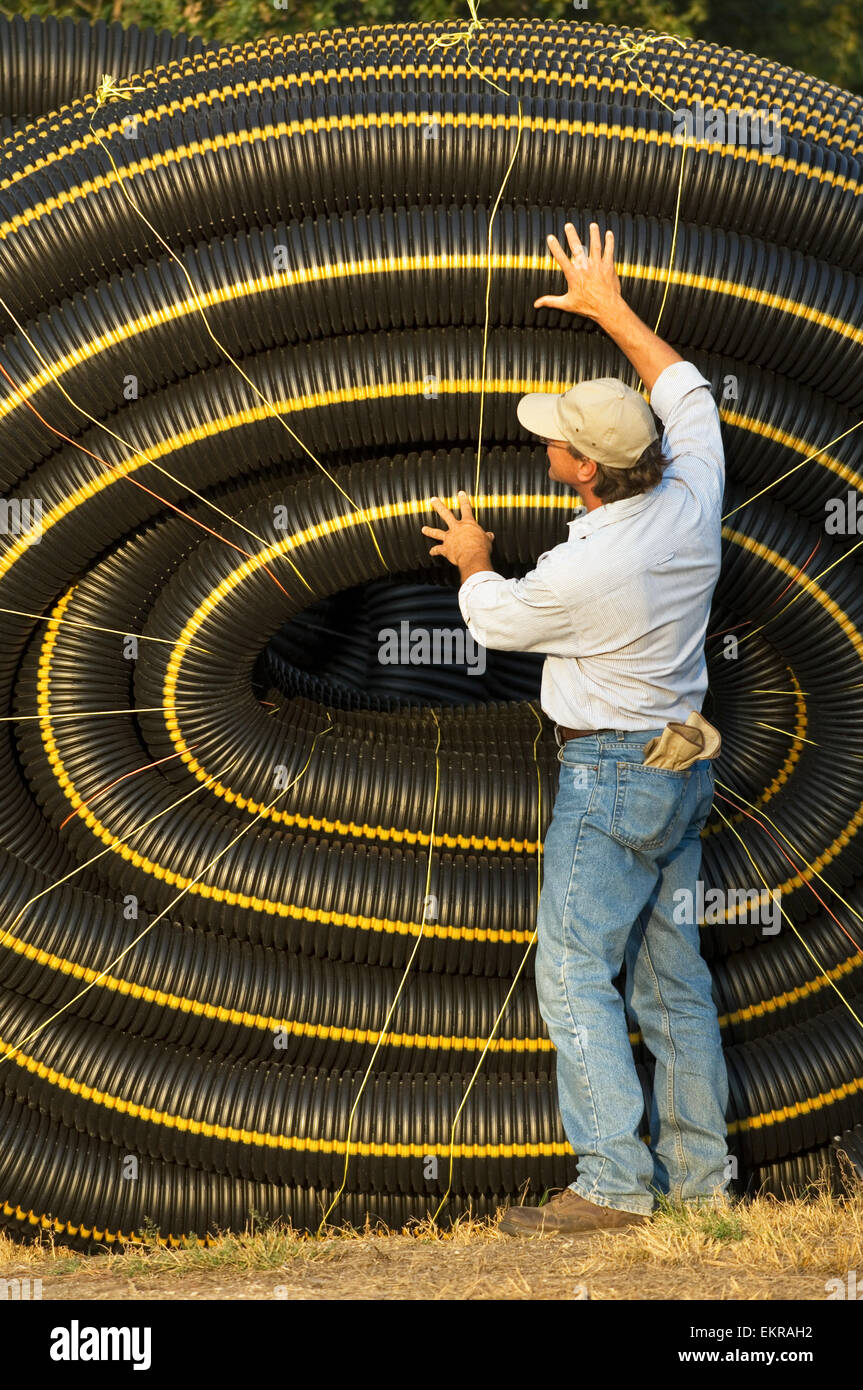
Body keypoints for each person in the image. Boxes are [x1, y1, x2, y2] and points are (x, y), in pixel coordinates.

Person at [421, 222, 730, 1234]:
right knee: (671, 978)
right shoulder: (690, 496)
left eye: (552, 436)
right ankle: (700, 1184)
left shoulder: (586, 570)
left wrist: (470, 556)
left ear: (583, 472)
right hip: (679, 767)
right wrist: (607, 307)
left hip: (608, 780)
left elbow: (498, 621)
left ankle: (606, 1183)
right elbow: (680, 385)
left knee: (570, 973)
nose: (541, 440)